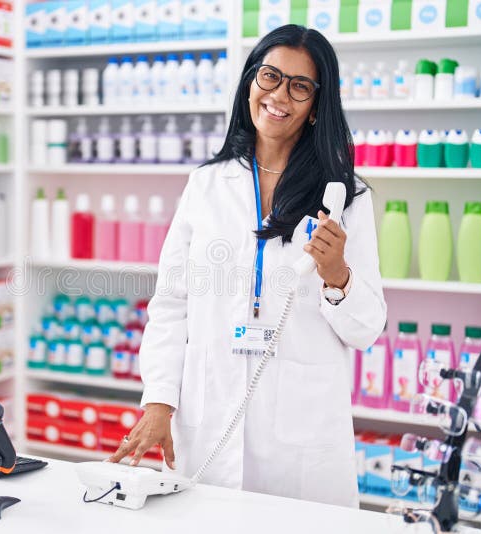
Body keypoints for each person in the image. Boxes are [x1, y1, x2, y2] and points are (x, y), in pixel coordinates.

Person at [108, 24, 387, 508]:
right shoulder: (206, 185)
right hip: (210, 417)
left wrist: (337, 274)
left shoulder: (346, 197)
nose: (280, 95)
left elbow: (366, 329)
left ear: (317, 105)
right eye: (270, 77)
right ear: (250, 82)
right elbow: (171, 304)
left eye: (300, 86)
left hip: (301, 434)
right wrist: (158, 401)